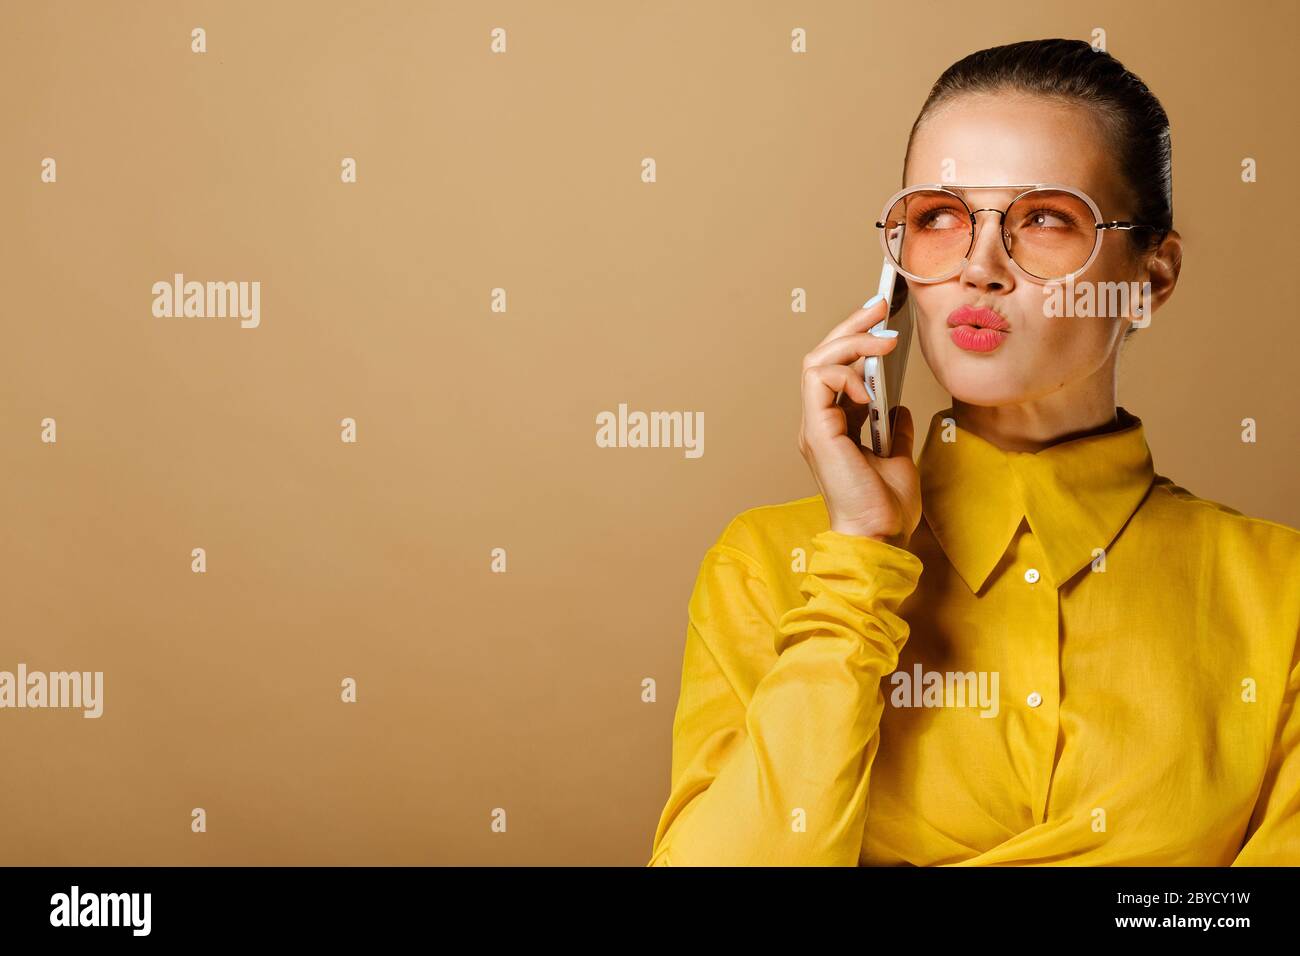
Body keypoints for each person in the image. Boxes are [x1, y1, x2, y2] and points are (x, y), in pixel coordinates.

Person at [647, 38, 1300, 866]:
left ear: (1151, 279)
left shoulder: (1281, 597)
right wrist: (859, 567)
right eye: (939, 219)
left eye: (1046, 219)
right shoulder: (769, 567)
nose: (978, 268)